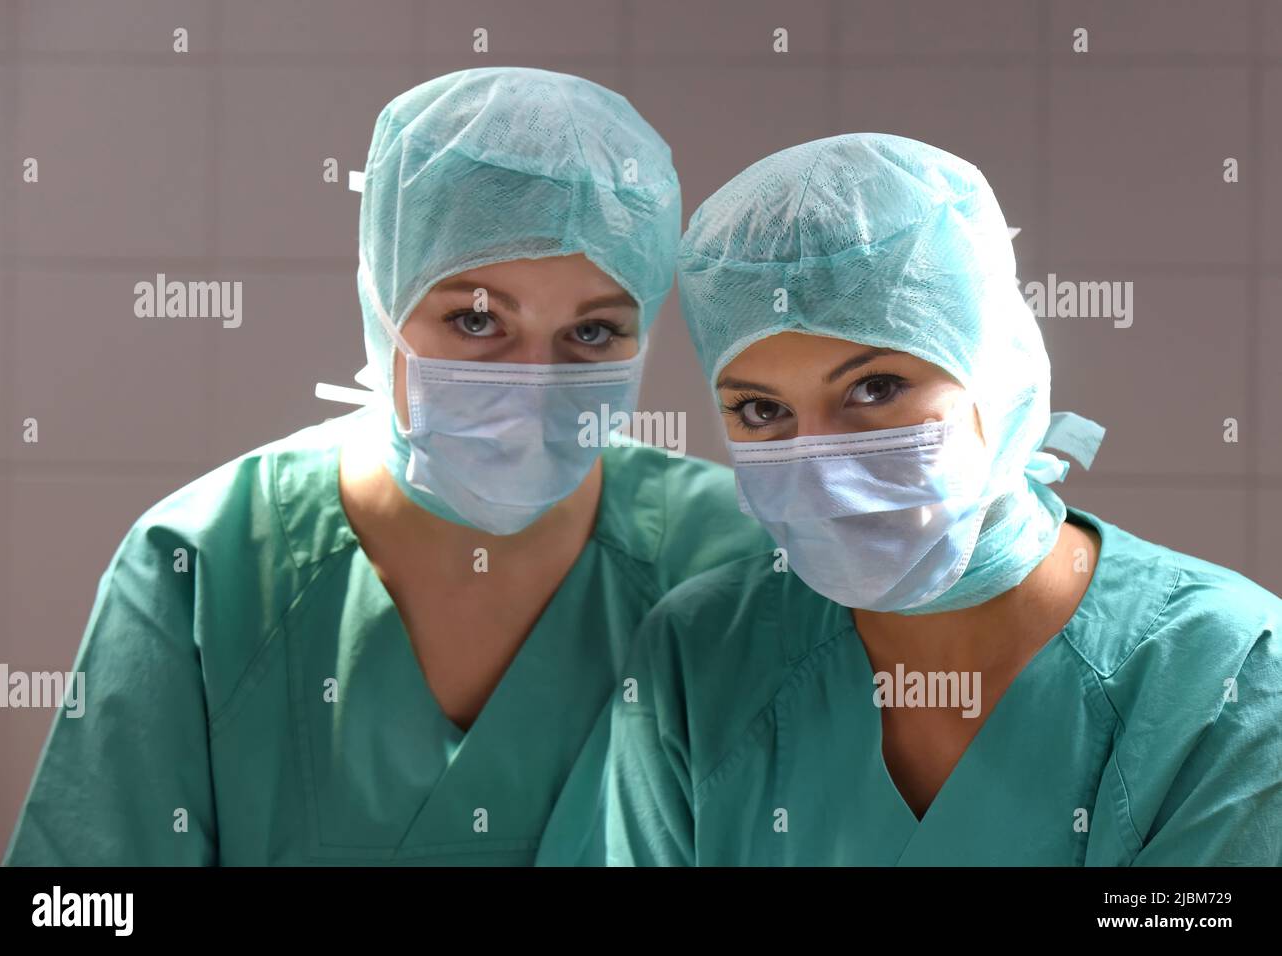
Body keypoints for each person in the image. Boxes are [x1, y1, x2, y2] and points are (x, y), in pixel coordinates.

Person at [3, 67, 770, 866]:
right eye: (476, 320)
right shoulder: (206, 567)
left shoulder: (736, 562)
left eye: (594, 333)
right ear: (383, 306)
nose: (533, 386)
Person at [536, 133, 1282, 866]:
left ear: (998, 371)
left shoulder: (1223, 675)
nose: (822, 471)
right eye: (762, 410)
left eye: (877, 388)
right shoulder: (699, 660)